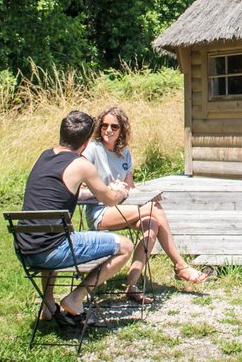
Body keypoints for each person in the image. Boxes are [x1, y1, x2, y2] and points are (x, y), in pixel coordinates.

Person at [18, 110, 133, 326]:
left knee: (51, 233)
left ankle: (48, 304)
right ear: (87, 141)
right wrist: (121, 190)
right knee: (125, 246)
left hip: (26, 248)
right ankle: (75, 298)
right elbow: (110, 200)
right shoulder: (81, 164)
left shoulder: (43, 156)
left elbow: (63, 192)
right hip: (53, 250)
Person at [81, 105, 208, 301]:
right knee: (154, 209)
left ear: (122, 129)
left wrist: (148, 195)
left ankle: (132, 285)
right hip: (100, 211)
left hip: (122, 208)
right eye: (104, 125)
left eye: (114, 127)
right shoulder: (92, 150)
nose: (108, 130)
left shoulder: (124, 152)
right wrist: (108, 190)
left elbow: (130, 188)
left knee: (152, 223)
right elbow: (81, 186)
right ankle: (180, 265)